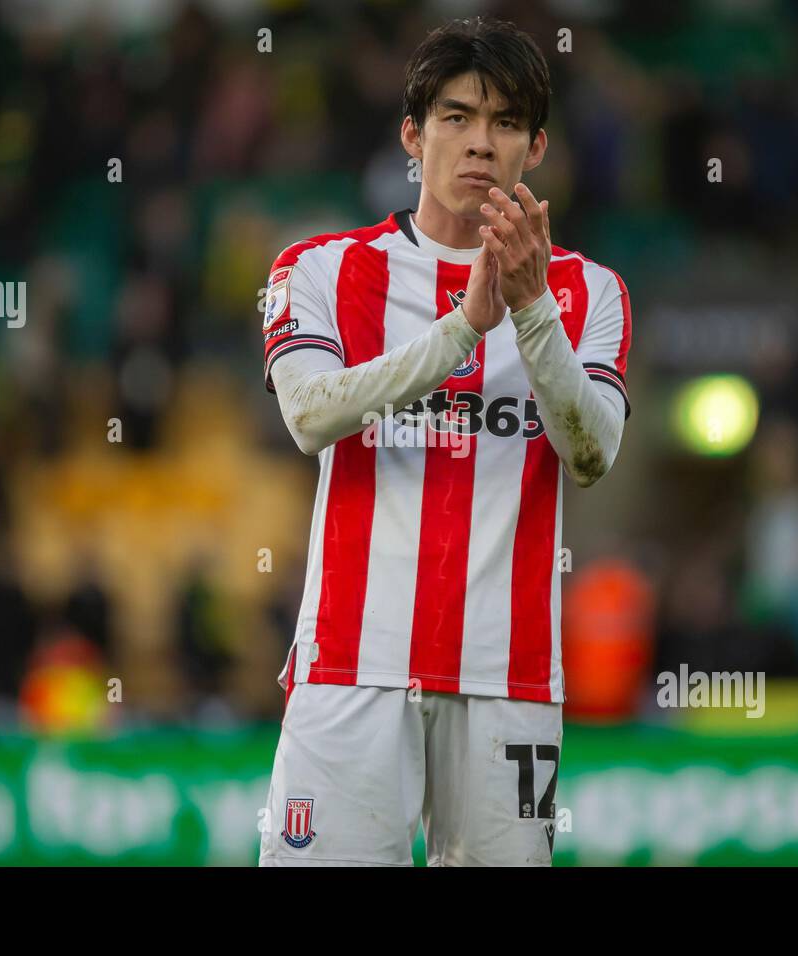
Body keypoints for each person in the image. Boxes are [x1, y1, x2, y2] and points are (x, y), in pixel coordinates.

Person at [258, 16, 631, 866]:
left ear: (535, 149)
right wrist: (465, 330)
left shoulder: (586, 292)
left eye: (504, 123)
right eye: (456, 117)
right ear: (411, 135)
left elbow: (592, 454)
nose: (478, 143)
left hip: (510, 681)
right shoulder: (321, 269)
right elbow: (310, 415)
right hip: (352, 669)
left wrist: (530, 313)